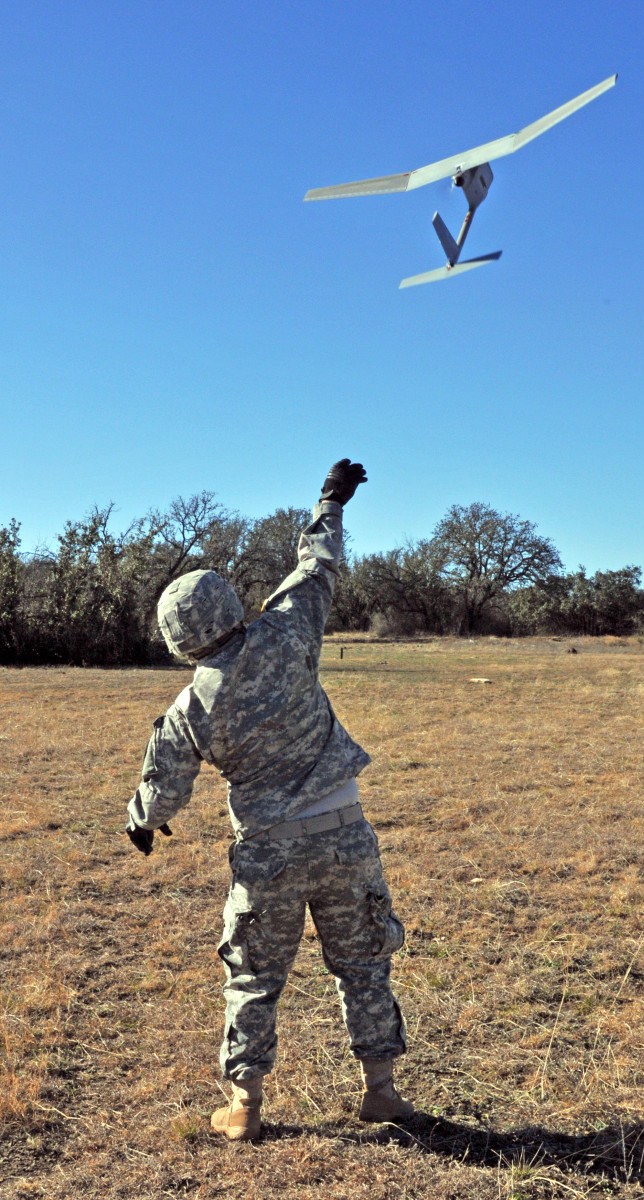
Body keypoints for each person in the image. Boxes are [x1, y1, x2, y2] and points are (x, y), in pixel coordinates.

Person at [124, 460, 411, 1142]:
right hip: (344, 829)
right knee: (363, 961)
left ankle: (245, 1106)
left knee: (254, 975)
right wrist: (329, 501)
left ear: (178, 638)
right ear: (228, 602)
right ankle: (382, 1092)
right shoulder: (288, 631)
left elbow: (162, 785)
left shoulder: (191, 704)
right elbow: (318, 562)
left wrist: (143, 819)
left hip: (269, 852)